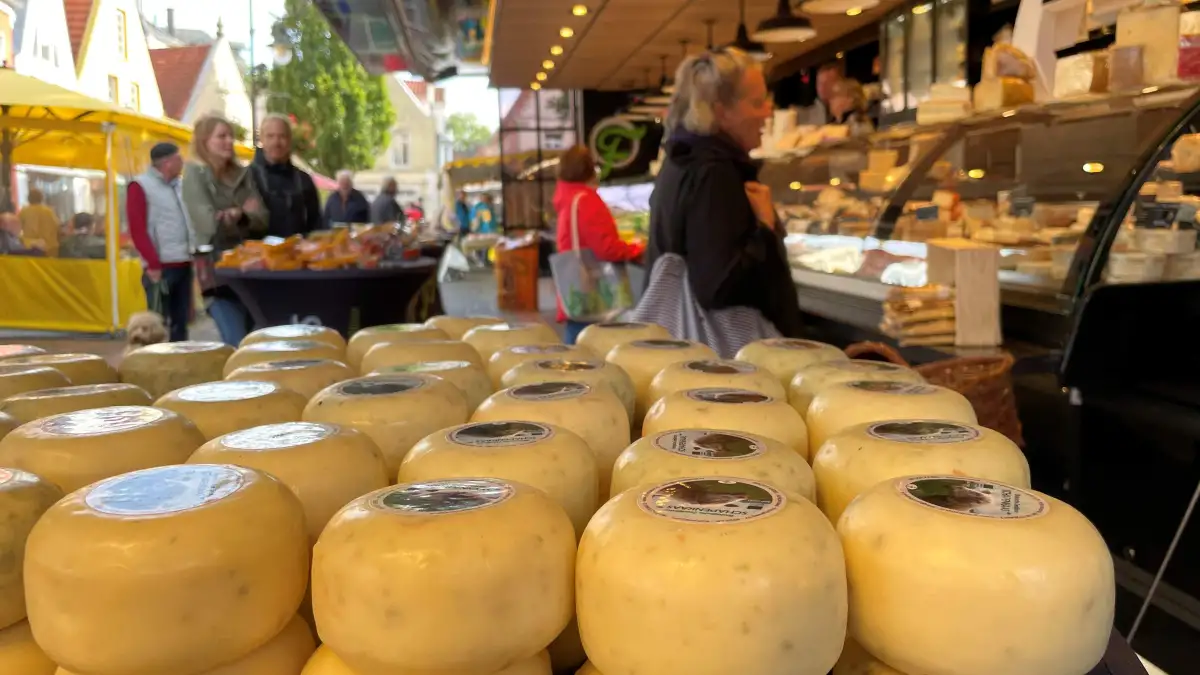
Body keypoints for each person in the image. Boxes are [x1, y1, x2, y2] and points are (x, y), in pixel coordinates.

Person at [643, 47, 803, 340]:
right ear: (720, 112)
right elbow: (718, 287)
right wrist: (766, 229)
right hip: (731, 362)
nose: (768, 111)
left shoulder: (681, 160)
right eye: (757, 102)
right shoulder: (715, 174)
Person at [182, 114, 269, 346]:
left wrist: (236, 214)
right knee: (235, 342)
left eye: (230, 135)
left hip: (251, 272)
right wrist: (242, 211)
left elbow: (262, 219)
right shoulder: (194, 174)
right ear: (204, 141)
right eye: (221, 136)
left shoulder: (243, 174)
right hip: (216, 276)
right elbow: (208, 224)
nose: (229, 141)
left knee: (254, 342)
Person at [553, 145, 644, 344]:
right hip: (594, 290)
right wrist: (637, 248)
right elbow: (607, 248)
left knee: (576, 343)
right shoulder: (586, 199)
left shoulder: (567, 198)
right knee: (592, 346)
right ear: (589, 168)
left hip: (575, 286)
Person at [129, 142, 195, 341]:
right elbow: (137, 229)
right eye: (179, 158)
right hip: (161, 267)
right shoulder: (140, 186)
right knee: (157, 324)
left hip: (184, 261)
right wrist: (152, 263)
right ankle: (156, 362)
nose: (183, 162)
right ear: (167, 163)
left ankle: (180, 360)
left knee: (181, 321)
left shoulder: (180, 185)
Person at [250, 114, 323, 238]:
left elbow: (317, 226)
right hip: (258, 254)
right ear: (261, 138)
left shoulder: (304, 180)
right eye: (270, 136)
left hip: (296, 254)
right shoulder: (245, 178)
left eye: (282, 136)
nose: (276, 142)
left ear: (290, 139)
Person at [800, 61, 845, 127]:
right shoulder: (808, 117)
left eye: (827, 83)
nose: (822, 88)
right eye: (820, 83)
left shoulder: (849, 112)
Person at [19, 188, 60, 256]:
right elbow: (57, 226)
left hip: (31, 248)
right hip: (49, 248)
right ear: (41, 198)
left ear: (28, 198)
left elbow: (17, 228)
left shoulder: (24, 211)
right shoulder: (49, 211)